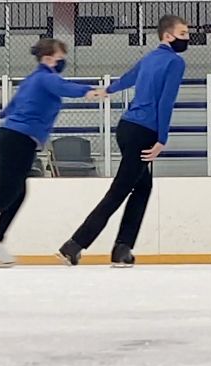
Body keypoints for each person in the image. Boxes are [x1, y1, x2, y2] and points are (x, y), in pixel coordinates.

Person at [0, 39, 104, 267]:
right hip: (18, 141)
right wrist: (90, 91)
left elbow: (11, 107)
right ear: (48, 58)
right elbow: (64, 87)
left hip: (9, 139)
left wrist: (0, 118)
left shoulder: (32, 80)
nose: (62, 61)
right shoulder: (46, 78)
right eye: (60, 57)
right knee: (4, 198)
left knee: (17, 194)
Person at [57, 15, 189, 268]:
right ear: (168, 36)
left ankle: (122, 248)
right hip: (144, 130)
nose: (187, 38)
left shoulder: (151, 57)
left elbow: (129, 77)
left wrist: (108, 90)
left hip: (127, 128)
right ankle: (74, 245)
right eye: (183, 33)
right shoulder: (175, 62)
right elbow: (166, 101)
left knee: (142, 186)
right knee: (120, 190)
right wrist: (162, 138)